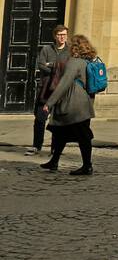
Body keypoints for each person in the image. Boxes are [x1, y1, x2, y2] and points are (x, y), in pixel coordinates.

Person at [41, 34, 99, 176]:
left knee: (82, 136)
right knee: (61, 133)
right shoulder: (90, 61)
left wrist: (49, 102)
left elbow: (64, 84)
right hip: (83, 102)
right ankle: (54, 161)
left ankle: (87, 166)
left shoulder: (74, 62)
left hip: (73, 104)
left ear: (75, 47)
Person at [26, 24, 69, 155]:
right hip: (45, 88)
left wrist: (52, 65)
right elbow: (41, 65)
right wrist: (58, 68)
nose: (62, 37)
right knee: (40, 118)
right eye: (60, 35)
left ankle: (55, 148)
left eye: (64, 35)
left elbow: (69, 68)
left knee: (58, 120)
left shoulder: (70, 51)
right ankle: (36, 146)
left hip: (61, 89)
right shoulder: (46, 49)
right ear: (55, 36)